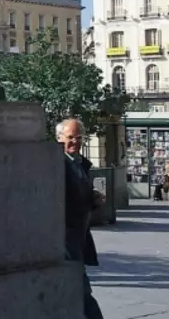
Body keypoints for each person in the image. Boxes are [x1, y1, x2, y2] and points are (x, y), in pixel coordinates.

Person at [58, 118, 104, 319]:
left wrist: (94, 198)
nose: (75, 142)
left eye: (79, 138)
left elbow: (79, 197)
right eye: (70, 137)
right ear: (59, 138)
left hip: (78, 237)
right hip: (64, 237)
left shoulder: (79, 164)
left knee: (74, 288)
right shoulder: (55, 164)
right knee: (82, 289)